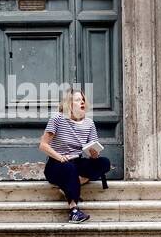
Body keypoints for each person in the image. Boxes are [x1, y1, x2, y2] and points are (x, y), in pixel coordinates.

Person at [39, 89, 111, 223]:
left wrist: (94, 154)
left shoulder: (89, 123)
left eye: (83, 99)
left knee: (104, 162)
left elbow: (91, 149)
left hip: (77, 162)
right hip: (57, 164)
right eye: (78, 100)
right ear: (69, 104)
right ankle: (74, 211)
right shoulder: (57, 118)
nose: (82, 102)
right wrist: (60, 157)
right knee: (69, 168)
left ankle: (67, 185)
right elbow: (43, 145)